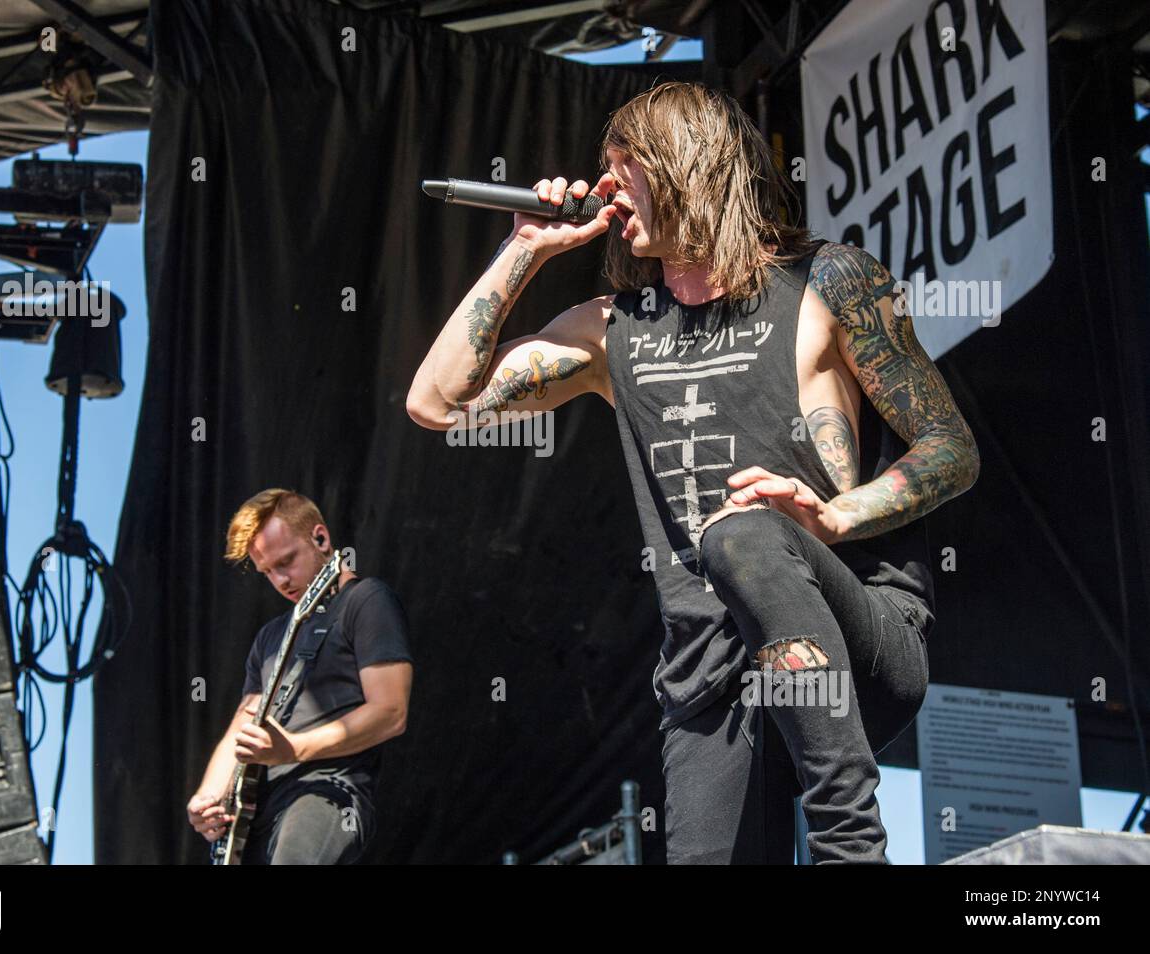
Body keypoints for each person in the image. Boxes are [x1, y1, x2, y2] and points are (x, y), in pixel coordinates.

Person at [405, 81, 980, 864]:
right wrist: (525, 250)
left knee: (744, 534)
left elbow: (950, 446)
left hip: (855, 635)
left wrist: (834, 517)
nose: (605, 187)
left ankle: (854, 849)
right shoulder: (614, 330)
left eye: (623, 166)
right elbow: (438, 405)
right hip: (711, 674)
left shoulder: (828, 284)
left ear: (687, 165)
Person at [186, 489, 414, 864]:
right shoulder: (271, 637)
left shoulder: (366, 600)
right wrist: (208, 797)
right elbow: (242, 727)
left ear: (320, 538)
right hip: (256, 813)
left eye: (286, 561)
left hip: (324, 793)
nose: (280, 581)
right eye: (267, 572)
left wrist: (294, 749)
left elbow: (391, 712)